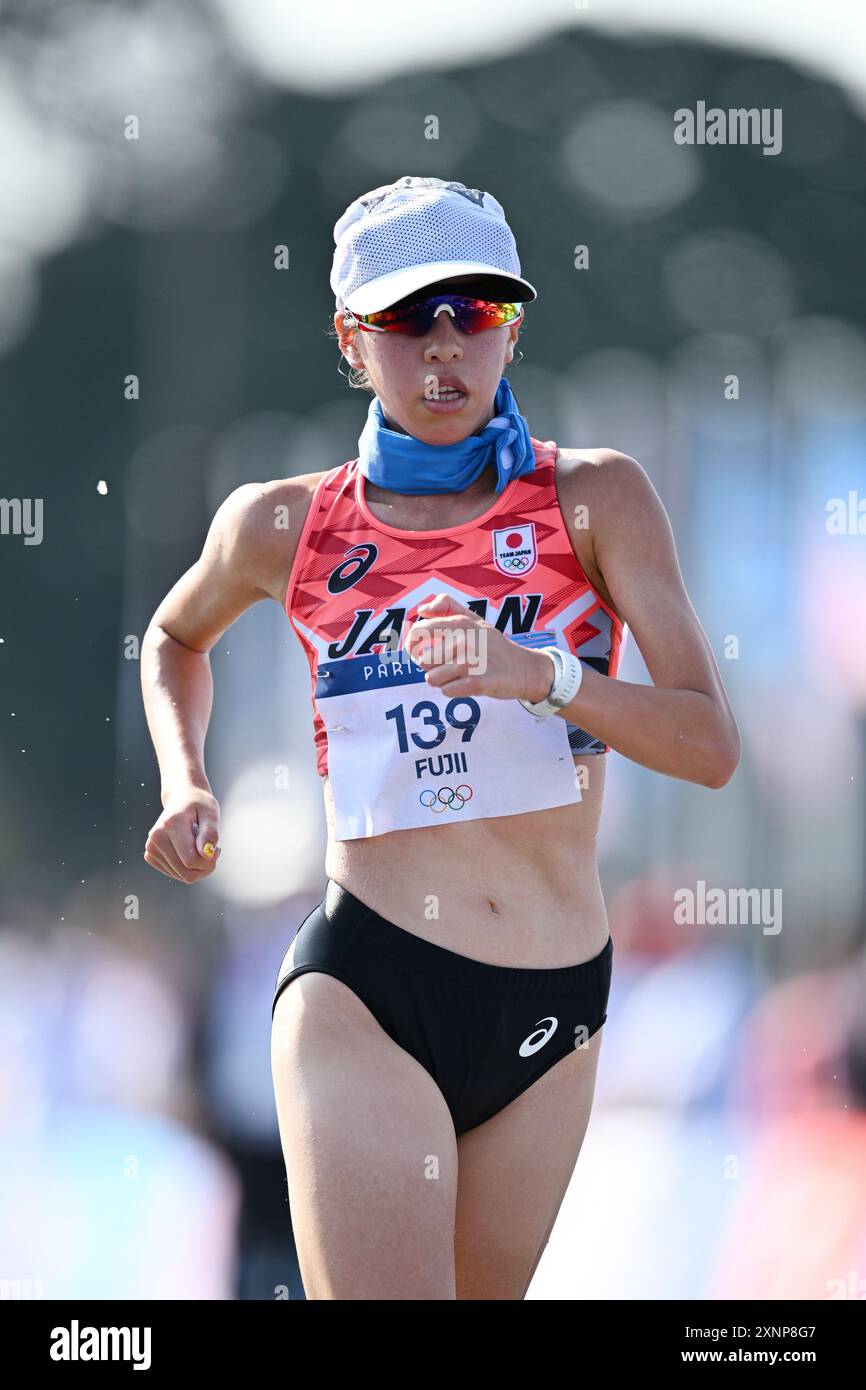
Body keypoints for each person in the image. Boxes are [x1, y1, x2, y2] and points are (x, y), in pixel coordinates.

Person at [140, 175, 740, 1300]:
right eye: (410, 319)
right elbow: (174, 636)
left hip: (550, 997)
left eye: (477, 313)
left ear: (512, 328)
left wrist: (544, 676)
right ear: (349, 342)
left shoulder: (593, 500)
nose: (446, 349)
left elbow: (706, 745)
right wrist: (186, 779)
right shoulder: (283, 522)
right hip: (368, 988)